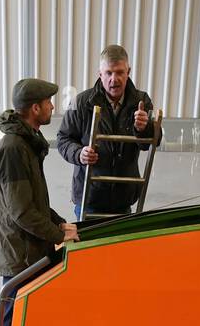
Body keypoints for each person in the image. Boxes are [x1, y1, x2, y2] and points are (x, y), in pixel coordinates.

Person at [0, 77, 78, 326]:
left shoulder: (27, 143)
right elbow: (22, 212)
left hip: (30, 251)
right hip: (20, 256)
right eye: (48, 103)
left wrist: (59, 223)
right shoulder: (13, 149)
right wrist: (59, 235)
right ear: (35, 108)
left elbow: (35, 204)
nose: (53, 107)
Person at [56, 44, 160, 221]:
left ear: (129, 72)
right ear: (100, 74)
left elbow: (152, 143)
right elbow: (63, 139)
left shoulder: (142, 101)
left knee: (119, 248)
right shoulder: (80, 102)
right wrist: (79, 153)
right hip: (89, 199)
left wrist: (144, 129)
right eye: (109, 73)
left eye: (120, 72)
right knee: (88, 248)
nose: (114, 79)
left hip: (123, 200)